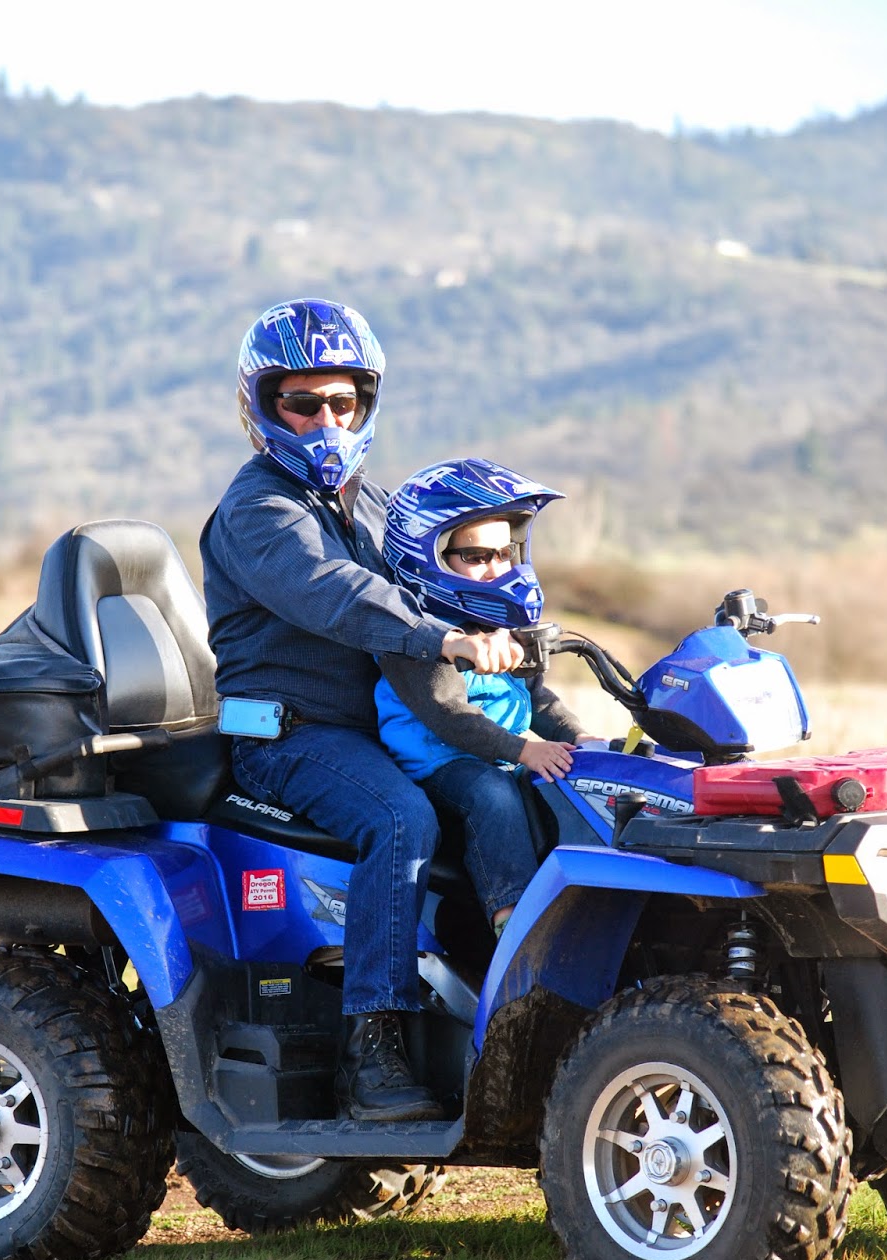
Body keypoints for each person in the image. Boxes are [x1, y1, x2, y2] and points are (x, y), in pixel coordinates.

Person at [200, 300, 525, 1123]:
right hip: (290, 736)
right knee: (401, 820)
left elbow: (434, 575)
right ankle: (373, 1049)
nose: (324, 422)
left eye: (342, 403)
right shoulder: (258, 510)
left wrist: (510, 625)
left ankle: (508, 1000)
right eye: (303, 404)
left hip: (383, 730)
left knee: (507, 792)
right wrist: (438, 637)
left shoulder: (369, 504)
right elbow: (332, 594)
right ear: (262, 407)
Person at [377, 457, 598, 938]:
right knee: (491, 795)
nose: (495, 566)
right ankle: (510, 918)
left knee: (577, 785)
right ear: (429, 555)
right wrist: (525, 750)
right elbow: (449, 716)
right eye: (475, 557)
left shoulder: (503, 625)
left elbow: (539, 698)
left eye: (503, 553)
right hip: (439, 761)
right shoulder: (414, 635)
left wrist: (580, 736)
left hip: (502, 753)